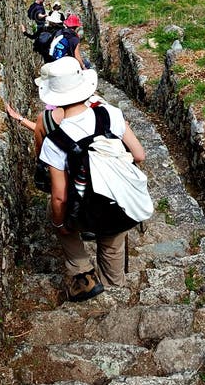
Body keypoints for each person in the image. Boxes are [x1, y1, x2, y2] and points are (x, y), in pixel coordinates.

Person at [36, 57, 146, 302]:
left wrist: (59, 224)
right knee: (112, 245)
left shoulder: (55, 141)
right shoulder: (111, 115)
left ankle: (83, 272)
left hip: (82, 210)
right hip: (116, 203)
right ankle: (115, 288)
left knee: (56, 216)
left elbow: (59, 196)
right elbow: (139, 154)